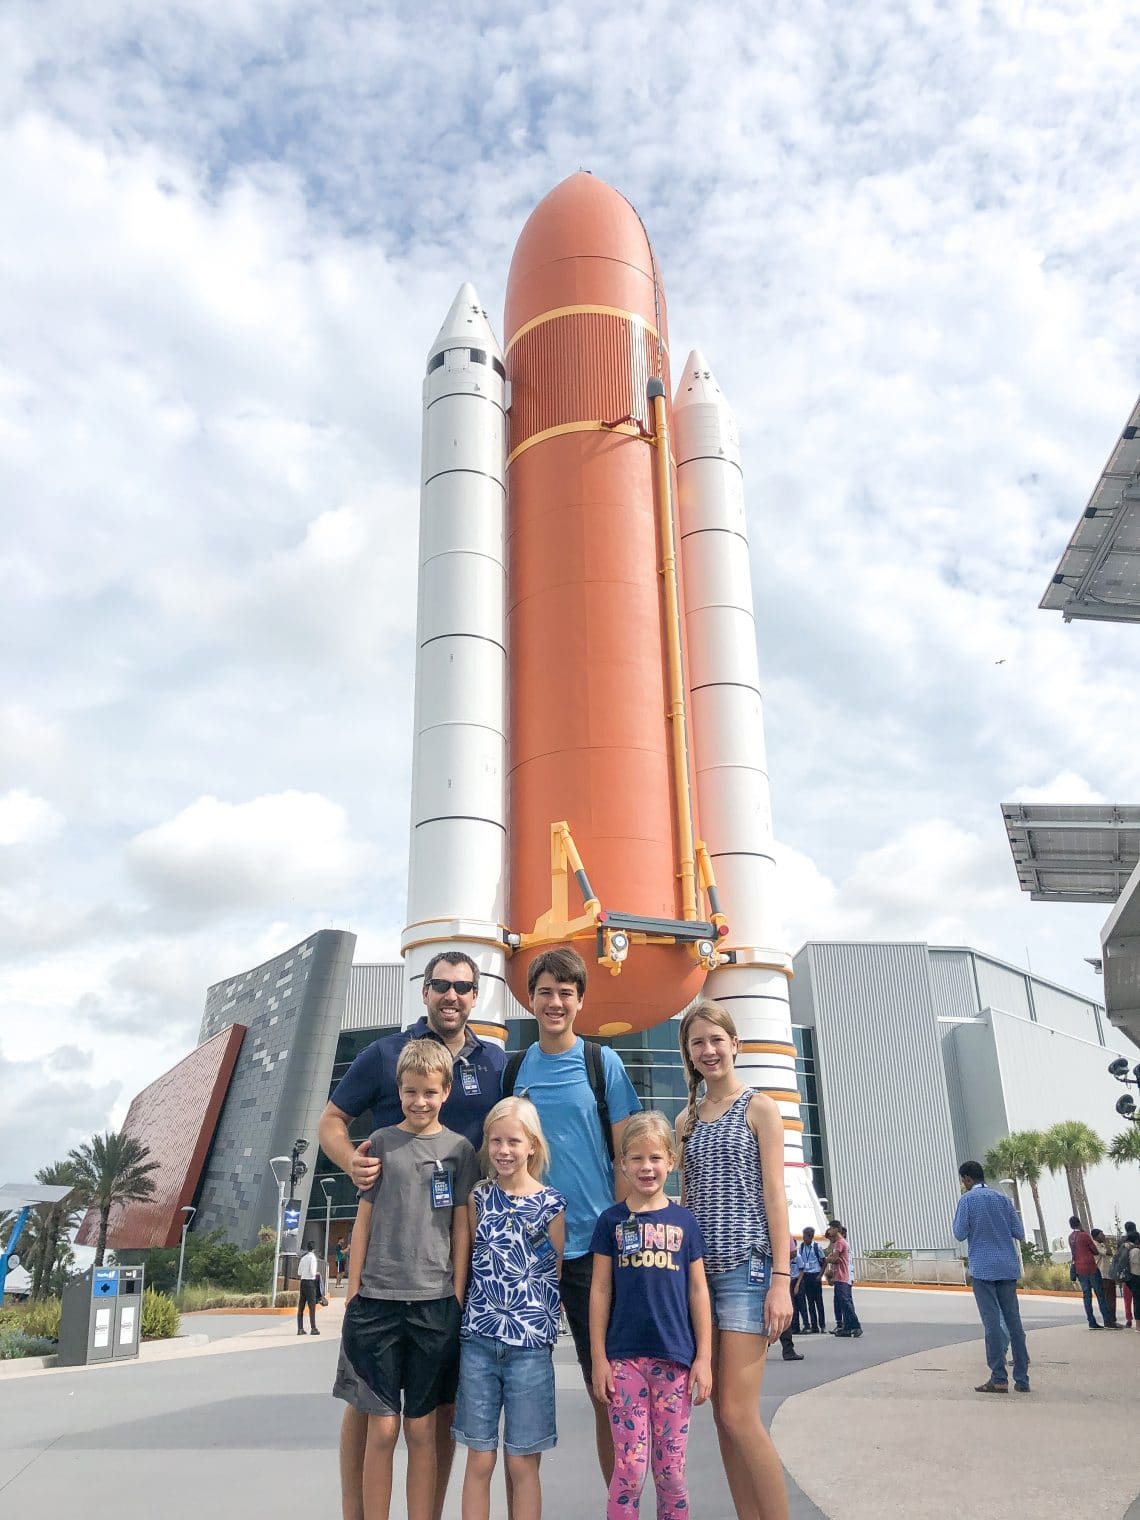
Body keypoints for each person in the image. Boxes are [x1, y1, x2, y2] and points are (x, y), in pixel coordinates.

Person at [318, 951, 506, 1520]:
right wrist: (353, 1163)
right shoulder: (384, 1054)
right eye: (440, 984)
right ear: (424, 991)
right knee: (369, 1412)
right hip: (385, 1265)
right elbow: (330, 1121)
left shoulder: (495, 1062)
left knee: (435, 1414)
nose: (452, 995)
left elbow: (517, 1131)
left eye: (463, 987)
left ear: (476, 995)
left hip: (453, 1259)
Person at [501, 945, 640, 1488]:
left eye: (565, 993)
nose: (554, 1002)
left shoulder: (602, 1065)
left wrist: (623, 1237)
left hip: (591, 1251)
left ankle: (620, 1505)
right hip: (525, 1254)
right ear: (530, 999)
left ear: (580, 1000)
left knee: (605, 1389)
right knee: (517, 1389)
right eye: (545, 992)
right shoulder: (515, 1069)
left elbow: (626, 1156)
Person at [340, 1039, 479, 1520]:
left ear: (446, 1092)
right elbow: (363, 1221)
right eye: (410, 1091)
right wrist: (353, 1293)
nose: (420, 1101)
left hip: (434, 1304)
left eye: (430, 1092)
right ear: (398, 1090)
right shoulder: (380, 1143)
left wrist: (456, 1294)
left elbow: (461, 1228)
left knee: (422, 1429)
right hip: (376, 1302)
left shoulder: (460, 1150)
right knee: (381, 1429)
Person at [676, 998, 794, 1520]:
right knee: (721, 1419)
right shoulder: (685, 1120)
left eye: (716, 1040)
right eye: (697, 1042)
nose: (708, 1050)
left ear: (735, 1044)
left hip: (748, 1271)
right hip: (700, 1279)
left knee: (739, 1414)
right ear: (688, 1053)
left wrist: (781, 1279)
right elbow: (686, 1203)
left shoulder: (758, 1108)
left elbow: (775, 1195)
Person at [589, 1111, 712, 1520]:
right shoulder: (610, 1222)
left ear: (671, 1162)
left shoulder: (684, 1221)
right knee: (629, 1471)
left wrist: (704, 1358)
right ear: (623, 1163)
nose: (647, 1167)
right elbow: (600, 1290)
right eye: (637, 1158)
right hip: (624, 1362)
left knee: (671, 1472)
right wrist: (599, 1358)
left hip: (675, 1362)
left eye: (656, 1158)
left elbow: (698, 1291)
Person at [452, 1097, 566, 1520]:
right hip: (479, 1344)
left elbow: (552, 1274)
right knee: (480, 1459)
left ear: (532, 1145)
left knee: (522, 1462)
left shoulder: (552, 1204)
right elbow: (468, 1262)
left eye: (513, 1141)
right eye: (496, 1141)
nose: (503, 1150)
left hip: (530, 1349)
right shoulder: (478, 1198)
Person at [953, 1159, 1030, 1393]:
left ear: (967, 1179)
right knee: (1014, 1321)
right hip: (1007, 1267)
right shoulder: (1002, 1198)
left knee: (992, 1323)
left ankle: (998, 1377)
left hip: (983, 1269)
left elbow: (959, 1233)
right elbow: (1019, 1232)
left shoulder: (967, 1200)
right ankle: (1022, 1378)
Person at [1068, 1216, 1115, 1329]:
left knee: (1087, 1296)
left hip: (1079, 1269)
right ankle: (1108, 1321)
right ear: (1079, 1223)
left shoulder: (1070, 1237)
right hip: (1091, 1268)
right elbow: (1095, 1250)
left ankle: (1091, 1321)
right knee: (1100, 1295)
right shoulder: (1084, 1235)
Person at [824, 1222, 862, 1338]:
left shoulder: (840, 1243)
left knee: (845, 1302)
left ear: (836, 1229)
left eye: (831, 1228)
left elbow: (834, 1258)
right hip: (840, 1276)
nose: (829, 1231)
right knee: (842, 1302)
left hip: (842, 1276)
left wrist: (827, 1259)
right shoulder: (838, 1243)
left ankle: (856, 1326)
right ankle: (847, 1328)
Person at [793, 1228, 827, 1333]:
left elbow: (824, 1261)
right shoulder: (802, 1247)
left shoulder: (817, 1247)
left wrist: (820, 1275)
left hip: (815, 1275)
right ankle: (814, 1326)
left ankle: (822, 1325)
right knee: (810, 1302)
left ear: (810, 1237)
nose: (803, 1238)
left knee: (819, 1302)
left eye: (805, 1236)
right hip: (806, 1276)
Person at [1111, 1221, 1137, 1328]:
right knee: (1137, 1298)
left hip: (1125, 1273)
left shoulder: (1121, 1241)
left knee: (1127, 1299)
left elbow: (1118, 1257)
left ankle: (1129, 1319)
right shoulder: (1137, 1237)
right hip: (1136, 1271)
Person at [1092, 1228, 1119, 1327]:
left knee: (1111, 1298)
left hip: (1108, 1274)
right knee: (1108, 1298)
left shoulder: (1101, 1244)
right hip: (1102, 1274)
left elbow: (1110, 1253)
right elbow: (1107, 1252)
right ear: (1096, 1236)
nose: (1103, 1236)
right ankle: (1109, 1321)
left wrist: (1104, 1243)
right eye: (1101, 1234)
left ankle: (1112, 1320)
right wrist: (1105, 1242)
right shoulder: (1095, 1245)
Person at [297, 1239, 322, 1335]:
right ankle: (313, 1328)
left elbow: (299, 1272)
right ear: (314, 1249)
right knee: (312, 1306)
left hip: (303, 1281)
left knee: (301, 1306)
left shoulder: (303, 1258)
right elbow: (312, 1272)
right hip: (310, 1282)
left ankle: (300, 1328)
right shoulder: (312, 1258)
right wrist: (316, 1274)